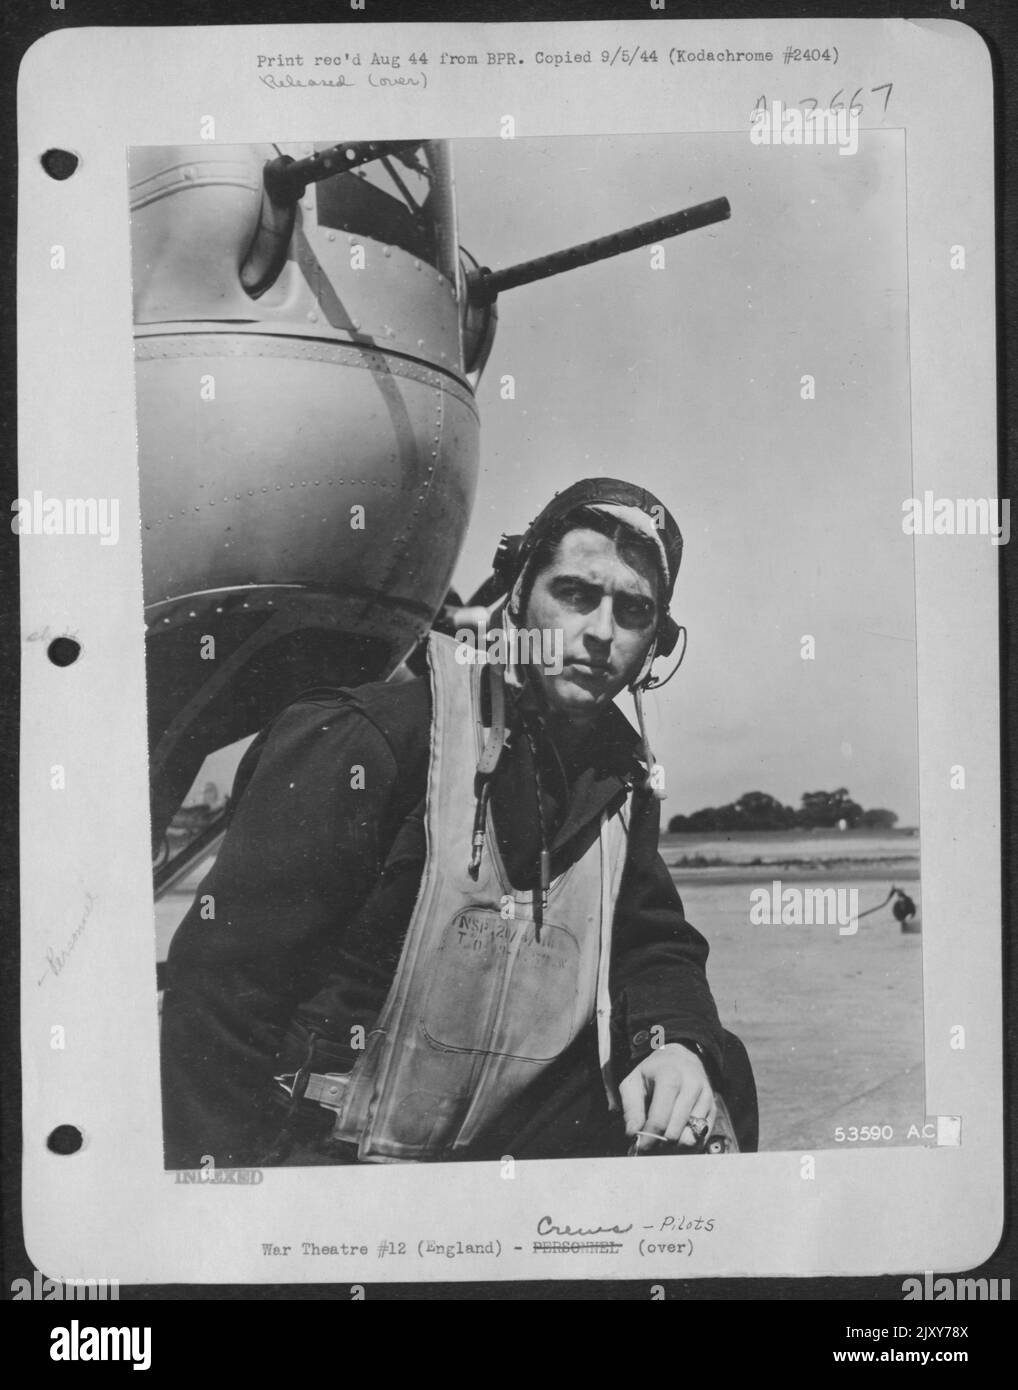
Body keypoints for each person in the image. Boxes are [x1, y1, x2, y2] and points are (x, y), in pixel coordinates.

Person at [160, 477, 757, 1167]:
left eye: (632, 610)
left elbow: (652, 944)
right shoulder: (374, 738)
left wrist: (674, 1042)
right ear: (519, 597)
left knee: (709, 1086)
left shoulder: (619, 781)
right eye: (575, 594)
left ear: (657, 642)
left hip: (498, 1154)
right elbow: (220, 996)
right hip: (330, 1153)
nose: (599, 633)